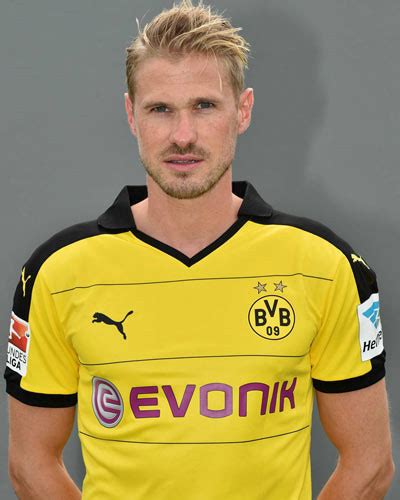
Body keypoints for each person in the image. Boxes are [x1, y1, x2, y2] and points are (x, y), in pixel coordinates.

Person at [5, 1, 395, 499]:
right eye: (160, 109)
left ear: (243, 110)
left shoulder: (326, 266)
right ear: (131, 114)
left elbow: (370, 464)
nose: (183, 136)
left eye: (205, 106)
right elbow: (29, 463)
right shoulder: (57, 273)